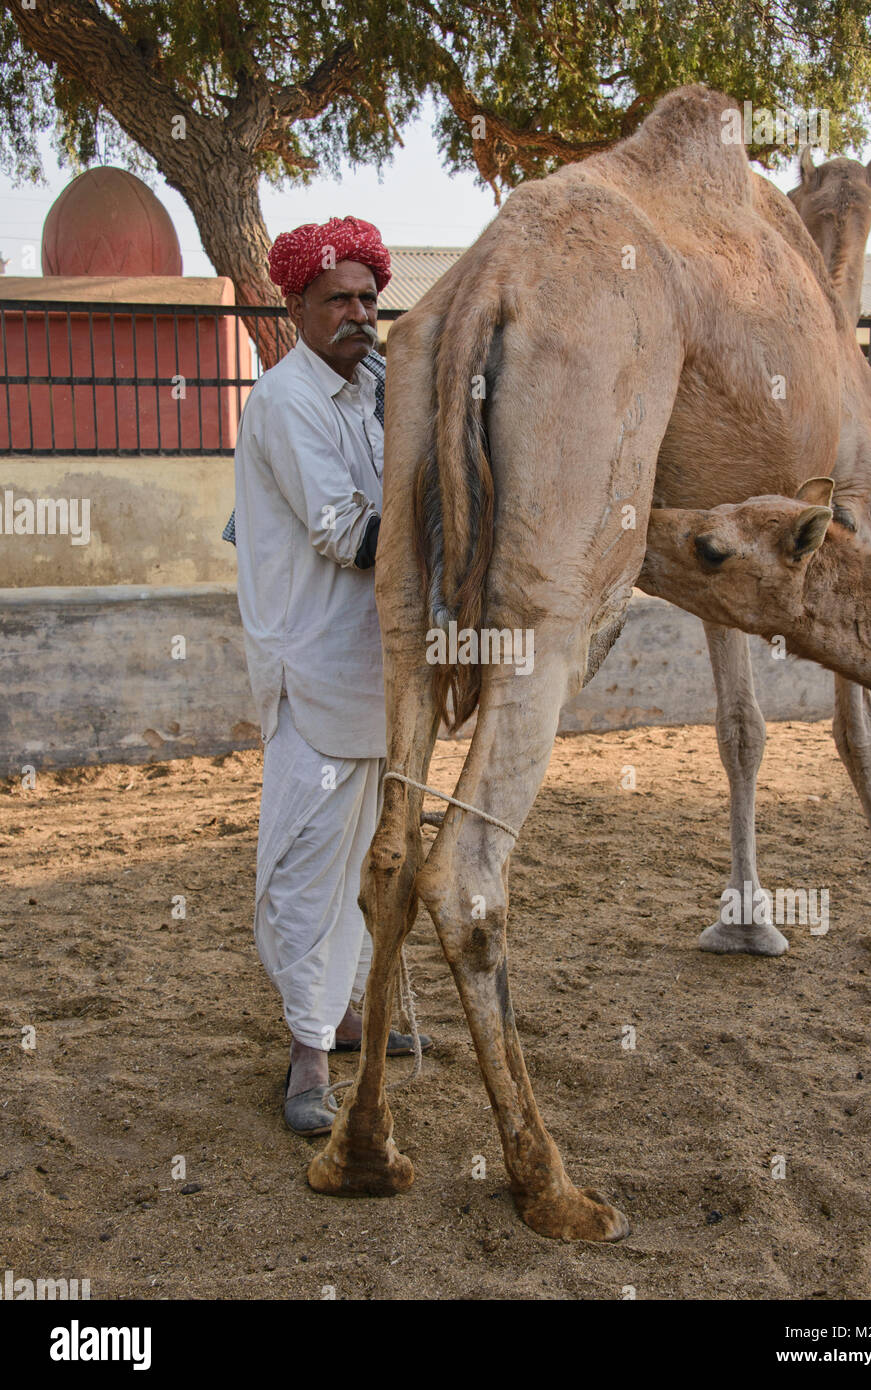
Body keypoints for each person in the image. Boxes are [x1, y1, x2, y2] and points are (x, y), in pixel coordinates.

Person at [230, 217, 430, 1137]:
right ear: (295, 306)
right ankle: (308, 1054)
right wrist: (452, 523)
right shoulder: (283, 402)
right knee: (309, 860)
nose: (358, 314)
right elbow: (347, 534)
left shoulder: (373, 385)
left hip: (377, 663)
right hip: (312, 662)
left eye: (366, 297)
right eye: (336, 299)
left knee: (366, 853)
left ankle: (345, 1015)